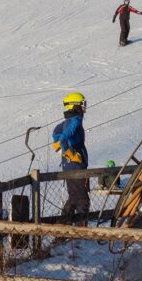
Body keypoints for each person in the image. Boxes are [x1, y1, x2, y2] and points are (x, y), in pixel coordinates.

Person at [52, 93, 90, 224]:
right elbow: (63, 137)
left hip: (67, 166)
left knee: (74, 197)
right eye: (83, 104)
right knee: (83, 199)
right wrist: (69, 152)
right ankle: (81, 230)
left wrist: (56, 142)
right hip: (76, 165)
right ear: (75, 106)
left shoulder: (66, 121)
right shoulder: (76, 120)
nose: (85, 107)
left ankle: (63, 225)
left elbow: (56, 132)